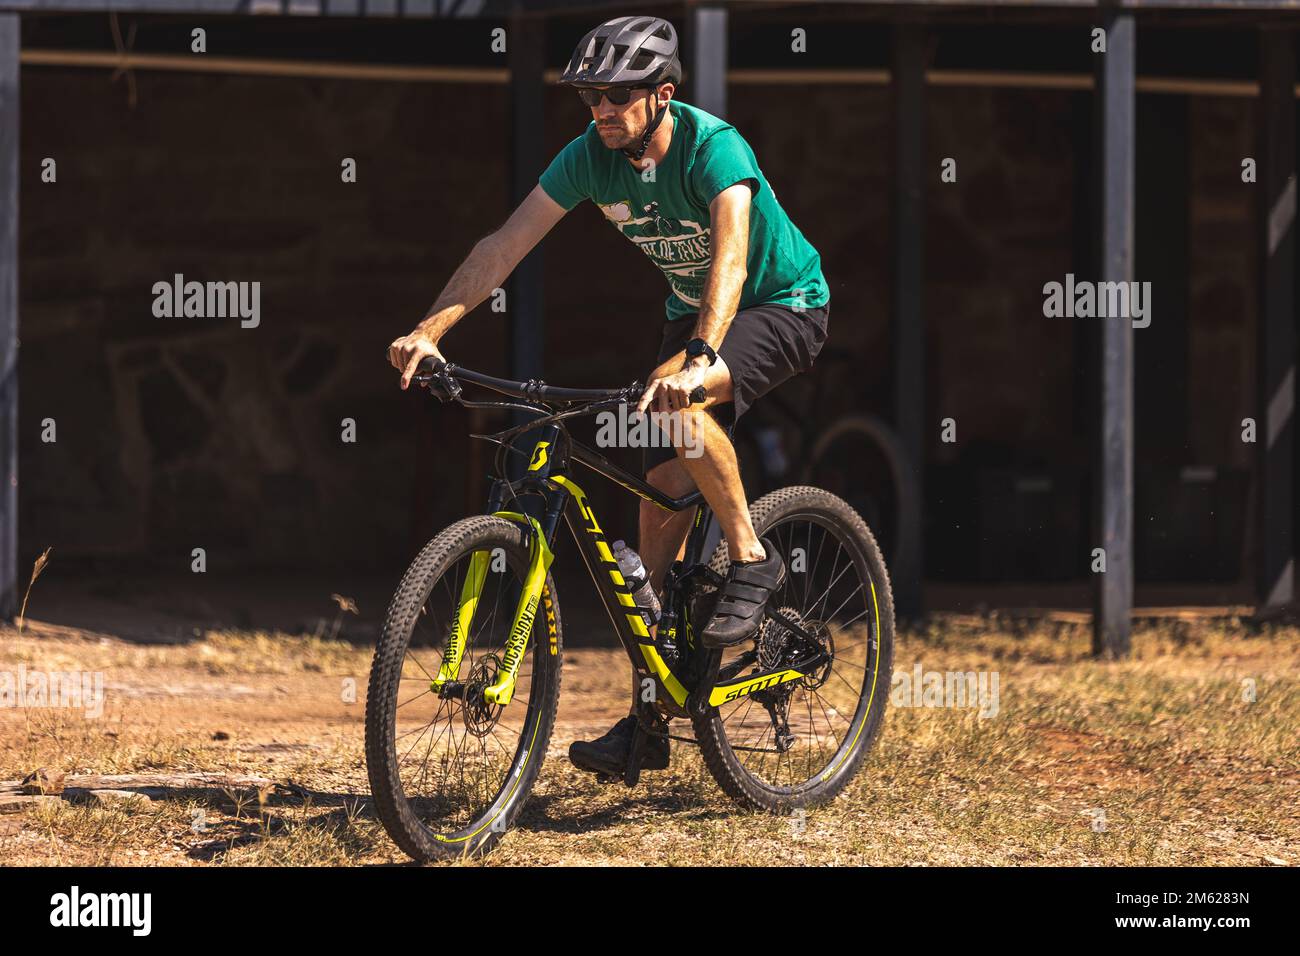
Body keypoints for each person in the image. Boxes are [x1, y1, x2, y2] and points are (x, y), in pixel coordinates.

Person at [387, 15, 831, 779]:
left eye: (617, 96)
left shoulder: (712, 145)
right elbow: (502, 246)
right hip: (690, 316)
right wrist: (431, 329)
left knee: (685, 408)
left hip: (780, 304)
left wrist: (700, 355)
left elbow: (730, 256)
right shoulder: (590, 158)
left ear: (662, 95)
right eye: (590, 96)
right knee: (658, 494)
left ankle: (754, 559)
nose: (600, 109)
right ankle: (649, 720)